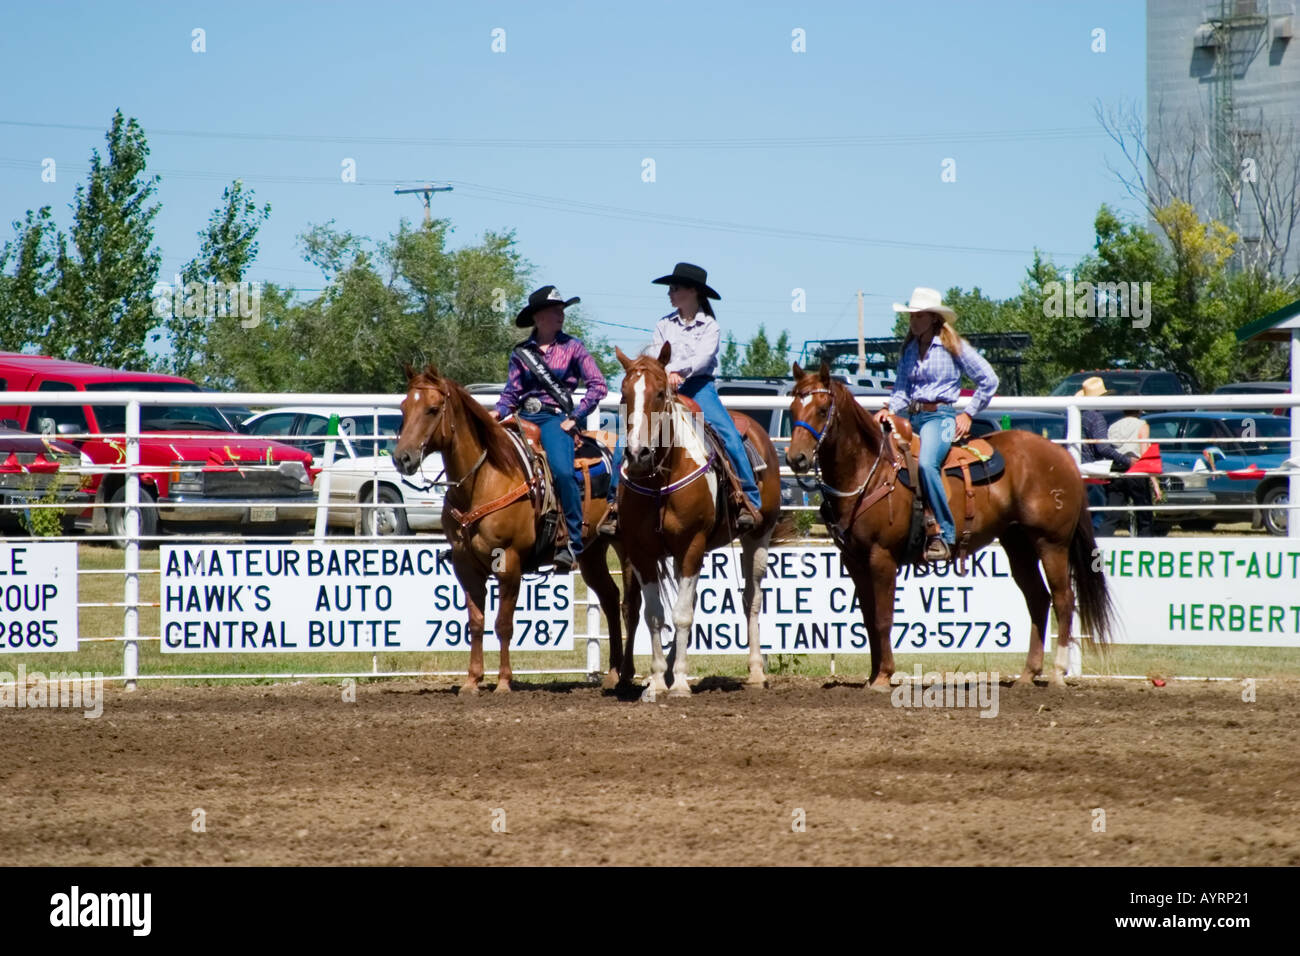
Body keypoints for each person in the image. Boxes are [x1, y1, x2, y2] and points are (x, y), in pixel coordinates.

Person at [601, 262, 762, 535]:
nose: (670, 294)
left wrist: (680, 372)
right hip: (664, 388)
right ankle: (614, 503)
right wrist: (666, 374)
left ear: (693, 292)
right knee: (626, 435)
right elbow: (656, 353)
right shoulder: (664, 324)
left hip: (699, 387)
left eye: (675, 289)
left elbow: (704, 358)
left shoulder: (710, 326)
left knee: (729, 435)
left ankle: (747, 498)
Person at [874, 287, 1000, 562]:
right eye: (911, 316)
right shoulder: (909, 349)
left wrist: (968, 413)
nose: (913, 321)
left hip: (941, 417)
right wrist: (887, 409)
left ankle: (944, 533)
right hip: (911, 417)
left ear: (933, 318)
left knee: (927, 464)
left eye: (918, 316)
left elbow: (989, 379)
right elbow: (901, 390)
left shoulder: (953, 346)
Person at [493, 286, 608, 572]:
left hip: (557, 419)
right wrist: (499, 412)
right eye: (555, 311)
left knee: (563, 471)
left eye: (561, 311)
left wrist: (577, 415)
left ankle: (570, 540)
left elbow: (598, 386)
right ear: (539, 317)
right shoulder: (521, 353)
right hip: (522, 419)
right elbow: (511, 392)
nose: (561, 315)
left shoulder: (573, 347)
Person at [1074, 376, 1133, 533]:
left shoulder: (1076, 416)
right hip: (1092, 472)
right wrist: (1127, 460)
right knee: (1098, 517)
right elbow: (1103, 448)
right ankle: (1095, 554)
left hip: (1075, 470)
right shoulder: (1096, 417)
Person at [1103, 409, 1161, 536]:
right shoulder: (1142, 425)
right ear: (1139, 410)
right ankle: (1144, 547)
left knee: (1111, 515)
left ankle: (1099, 547)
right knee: (1144, 515)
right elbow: (1144, 451)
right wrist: (1154, 482)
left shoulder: (1113, 426)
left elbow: (1108, 449)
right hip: (1136, 471)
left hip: (1116, 471)